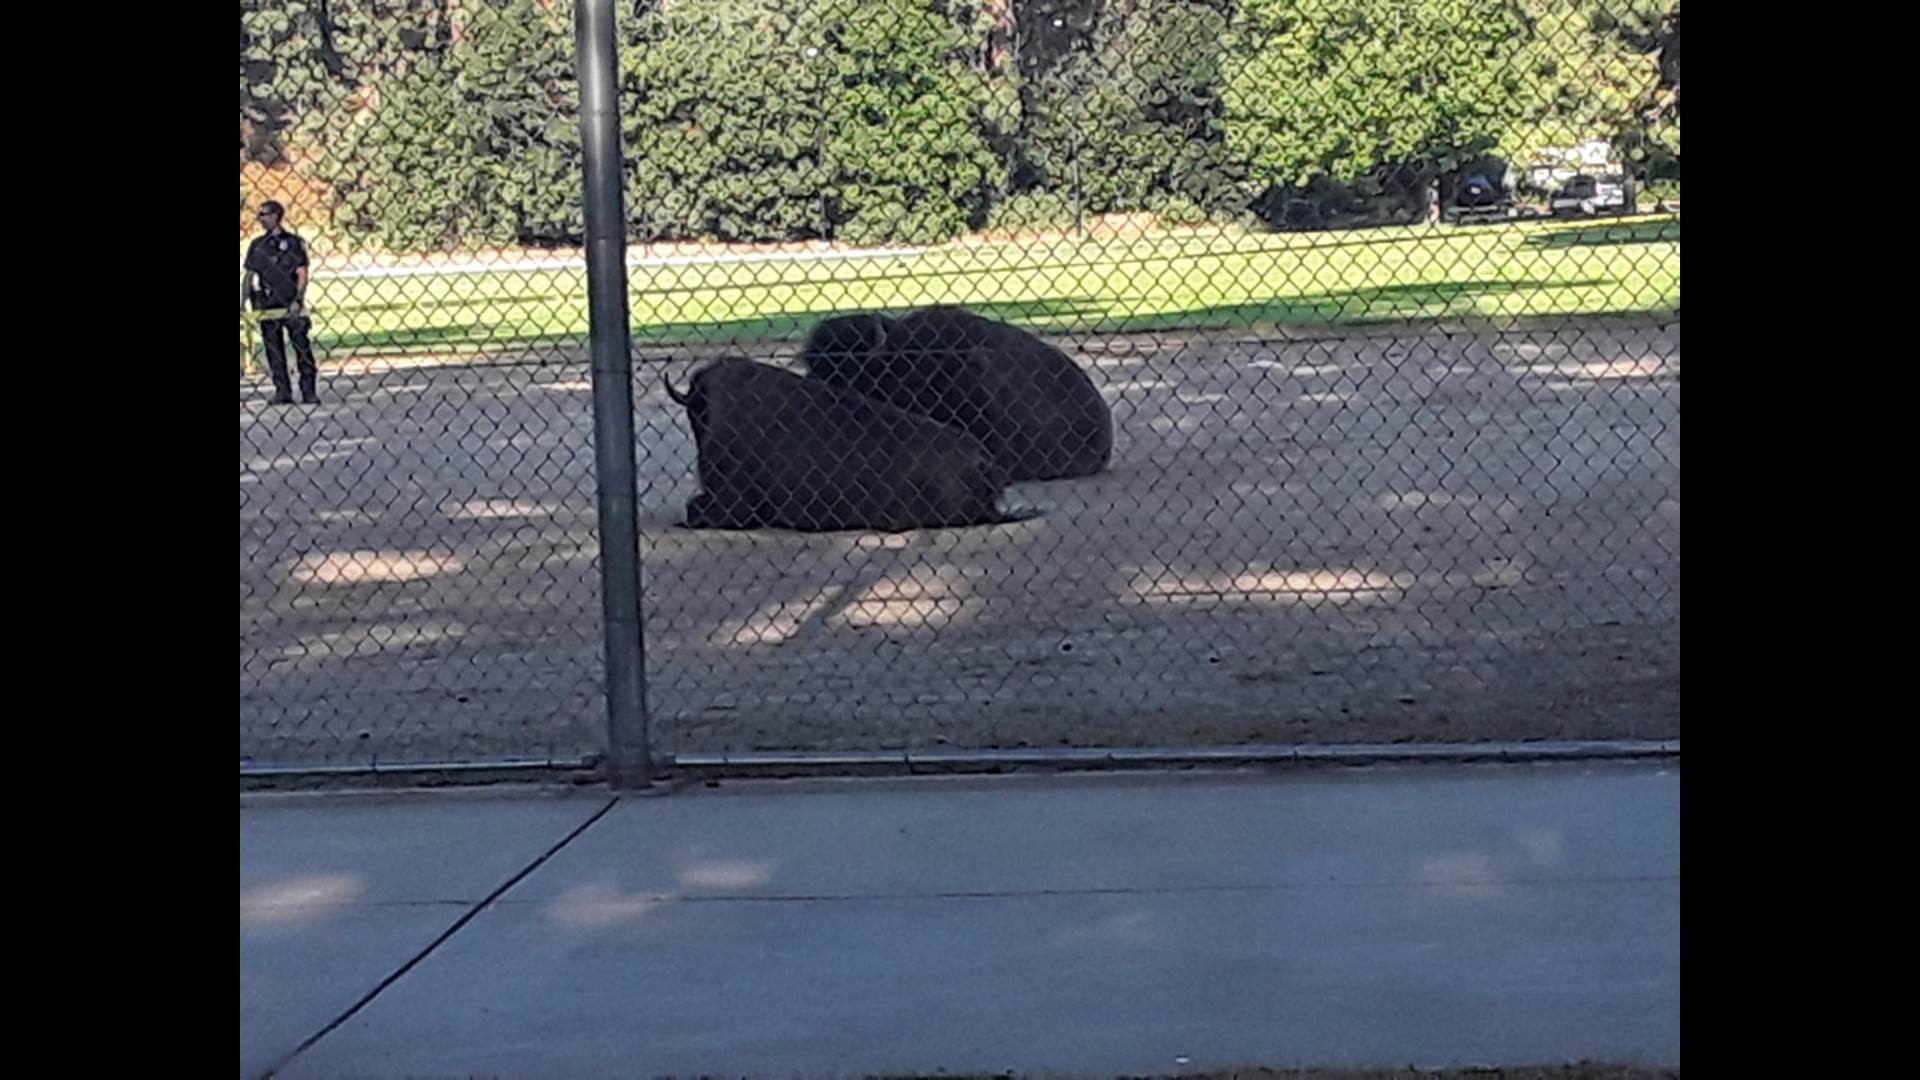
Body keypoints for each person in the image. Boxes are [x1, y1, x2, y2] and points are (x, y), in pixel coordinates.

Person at [241, 201, 320, 405]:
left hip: (291, 304)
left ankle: (308, 390)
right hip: (268, 305)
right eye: (260, 215)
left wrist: (298, 300)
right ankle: (282, 390)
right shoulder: (258, 245)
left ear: (277, 215)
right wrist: (243, 300)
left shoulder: (293, 243)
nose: (262, 219)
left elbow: (302, 273)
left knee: (302, 348)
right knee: (274, 351)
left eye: (265, 214)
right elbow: (249, 275)